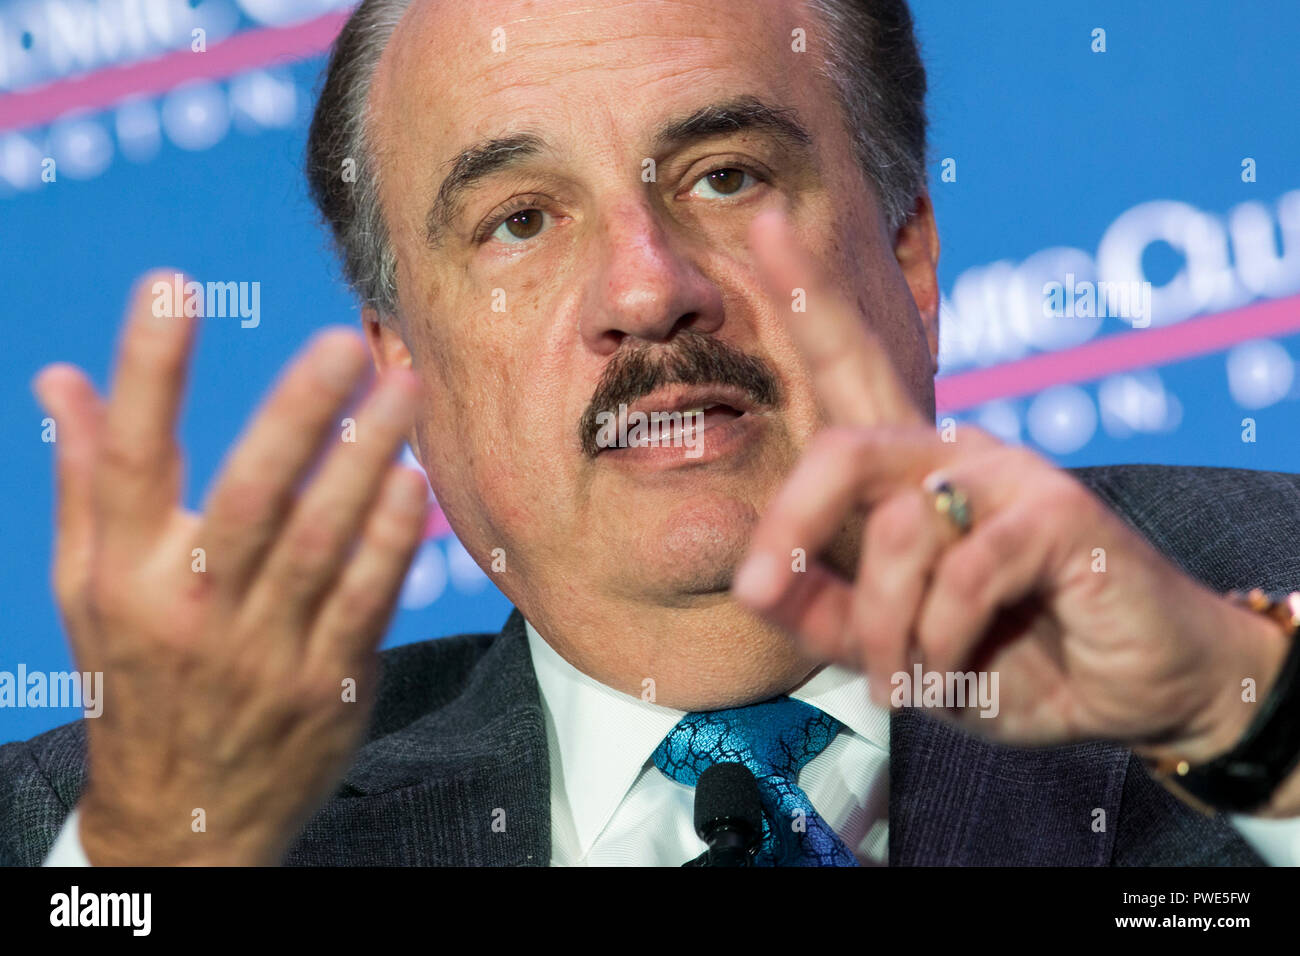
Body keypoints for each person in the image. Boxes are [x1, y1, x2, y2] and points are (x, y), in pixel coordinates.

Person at [5, 0, 1300, 867]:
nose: (644, 288)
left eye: (725, 175)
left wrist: (1244, 720)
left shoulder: (1252, 604)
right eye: (519, 219)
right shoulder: (119, 825)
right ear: (404, 357)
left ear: (910, 251)